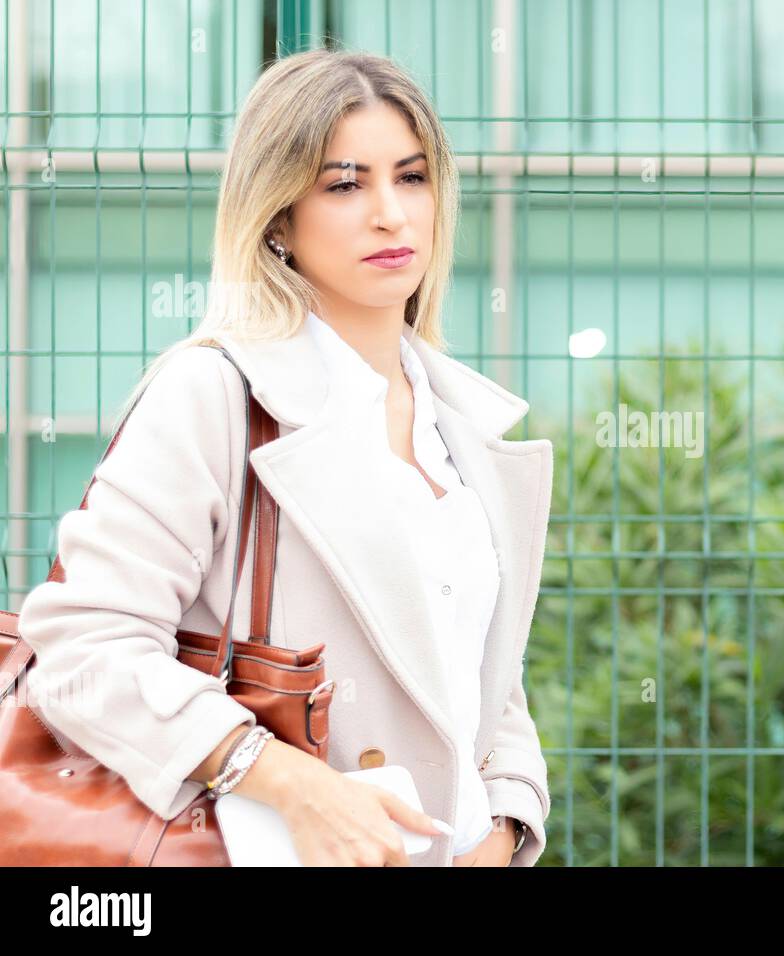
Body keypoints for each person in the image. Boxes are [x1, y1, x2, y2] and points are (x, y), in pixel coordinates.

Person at [17, 49, 552, 867]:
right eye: (344, 184)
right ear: (277, 215)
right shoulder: (218, 395)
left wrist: (507, 825)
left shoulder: (465, 427)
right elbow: (83, 646)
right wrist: (286, 781)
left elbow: (480, 675)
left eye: (411, 178)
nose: (390, 214)